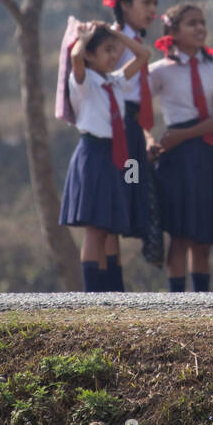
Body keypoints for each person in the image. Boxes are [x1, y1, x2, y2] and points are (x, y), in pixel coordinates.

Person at [147, 3, 213, 292]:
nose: (200, 28)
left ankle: (201, 299)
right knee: (180, 233)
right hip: (176, 158)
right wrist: (149, 140)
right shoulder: (160, 71)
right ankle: (176, 299)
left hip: (205, 150)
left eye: (202, 22)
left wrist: (183, 135)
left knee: (203, 236)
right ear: (172, 32)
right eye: (191, 23)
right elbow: (137, 113)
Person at [58, 21, 151, 291]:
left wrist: (115, 34)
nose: (113, 56)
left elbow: (144, 56)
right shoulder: (83, 82)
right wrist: (84, 38)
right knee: (94, 228)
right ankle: (92, 292)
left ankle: (110, 289)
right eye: (107, 50)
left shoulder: (114, 81)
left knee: (109, 225)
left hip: (114, 156)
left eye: (115, 50)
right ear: (89, 54)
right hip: (93, 154)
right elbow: (75, 57)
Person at [104, 0, 161, 291]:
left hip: (134, 126)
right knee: (112, 203)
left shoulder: (132, 39)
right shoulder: (114, 40)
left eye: (155, 3)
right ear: (124, 5)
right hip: (118, 125)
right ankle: (107, 287)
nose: (153, 10)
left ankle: (116, 287)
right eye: (146, 3)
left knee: (126, 203)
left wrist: (148, 136)